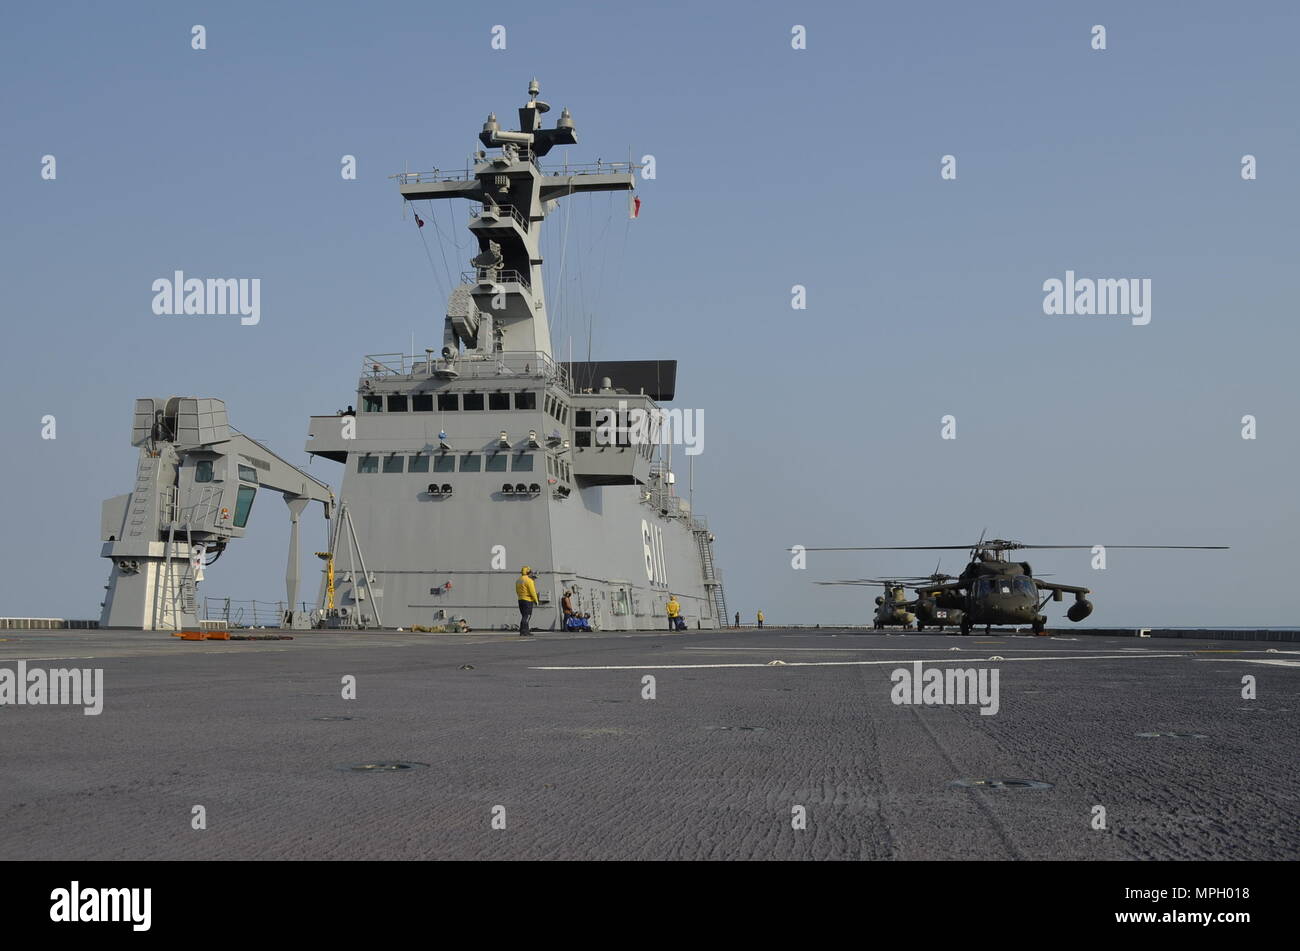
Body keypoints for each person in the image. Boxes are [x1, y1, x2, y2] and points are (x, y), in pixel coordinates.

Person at [515, 565, 538, 637]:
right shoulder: (529, 580)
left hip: (520, 600)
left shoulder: (518, 580)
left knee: (524, 616)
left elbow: (517, 591)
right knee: (527, 616)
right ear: (528, 572)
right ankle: (523, 631)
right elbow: (532, 591)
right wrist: (536, 600)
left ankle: (526, 631)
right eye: (530, 572)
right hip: (527, 600)